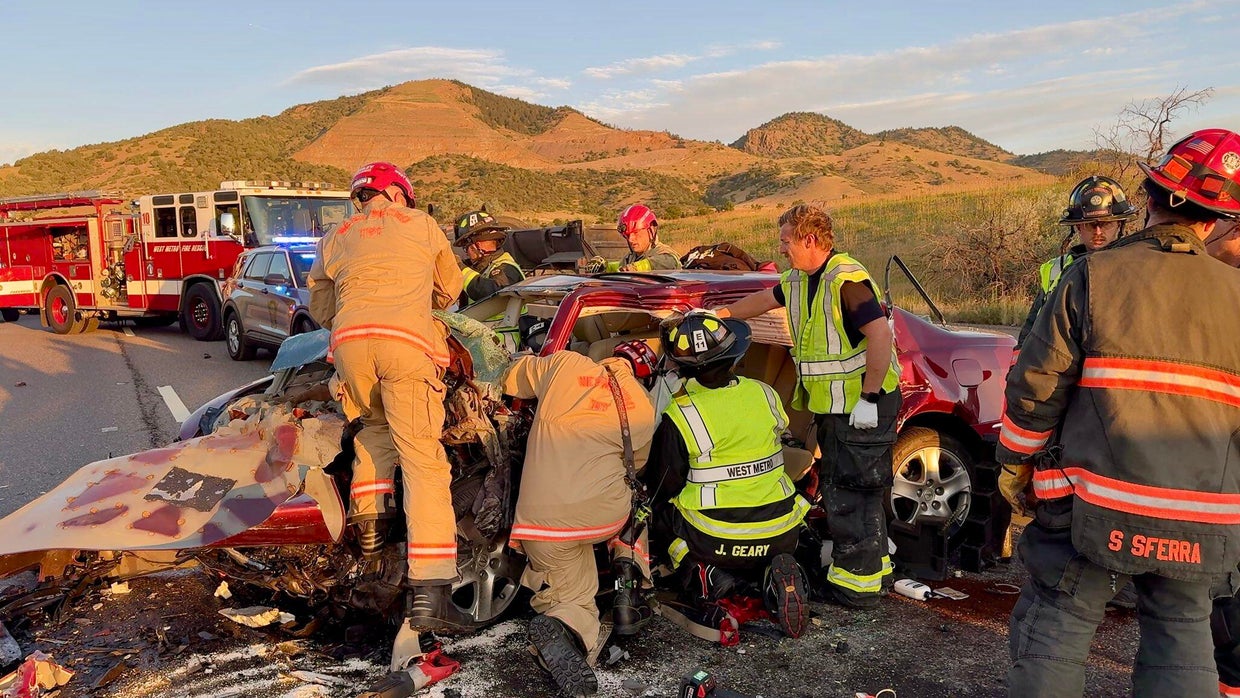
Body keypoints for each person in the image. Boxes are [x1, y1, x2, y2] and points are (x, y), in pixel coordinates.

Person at [998, 129, 1240, 698]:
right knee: (1183, 634)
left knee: (1056, 626)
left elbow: (1034, 390)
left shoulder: (1093, 276)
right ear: (1216, 222)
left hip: (1092, 507)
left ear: (1149, 198)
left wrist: (1014, 467)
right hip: (1200, 515)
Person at [305, 162, 469, 655]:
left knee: (373, 433)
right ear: (399, 194)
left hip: (349, 347)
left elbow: (321, 305)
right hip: (405, 345)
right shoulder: (422, 224)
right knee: (422, 459)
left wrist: (357, 314)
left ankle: (372, 540)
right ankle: (431, 592)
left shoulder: (337, 235)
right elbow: (450, 291)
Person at [708, 204, 901, 608]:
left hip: (864, 405)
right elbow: (763, 300)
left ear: (809, 239)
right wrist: (719, 314)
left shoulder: (844, 280)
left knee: (851, 494)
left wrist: (868, 398)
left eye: (785, 241)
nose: (780, 249)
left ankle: (855, 589)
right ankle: (874, 572)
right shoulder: (798, 280)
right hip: (837, 407)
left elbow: (880, 335)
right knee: (854, 489)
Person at [501, 338, 660, 697]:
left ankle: (566, 623)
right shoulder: (642, 404)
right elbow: (637, 467)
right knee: (637, 506)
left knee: (570, 593)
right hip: (602, 516)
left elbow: (511, 378)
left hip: (540, 521)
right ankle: (628, 591)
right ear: (644, 376)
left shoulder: (564, 364)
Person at [645, 310, 810, 638]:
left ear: (682, 368)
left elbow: (663, 484)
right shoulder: (764, 393)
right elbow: (780, 434)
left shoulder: (680, 414)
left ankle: (703, 575)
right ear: (734, 356)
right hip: (780, 533)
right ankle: (772, 575)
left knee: (657, 513)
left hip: (715, 541)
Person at [1016, 176, 1137, 347]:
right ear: (1078, 227)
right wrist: (1020, 357)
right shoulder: (1056, 269)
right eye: (1090, 225)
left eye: (1106, 224)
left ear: (1119, 224)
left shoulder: (1132, 267)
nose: (1098, 232)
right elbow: (1034, 324)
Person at [454, 209, 525, 304]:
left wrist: (460, 267)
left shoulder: (507, 267)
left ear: (477, 245)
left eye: (465, 247)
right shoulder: (480, 268)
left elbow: (492, 293)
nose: (466, 253)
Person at [606, 204, 681, 272]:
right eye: (627, 235)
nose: (630, 239)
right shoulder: (632, 256)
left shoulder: (665, 253)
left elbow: (671, 262)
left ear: (651, 230)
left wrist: (637, 267)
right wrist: (606, 267)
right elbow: (621, 266)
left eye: (636, 232)